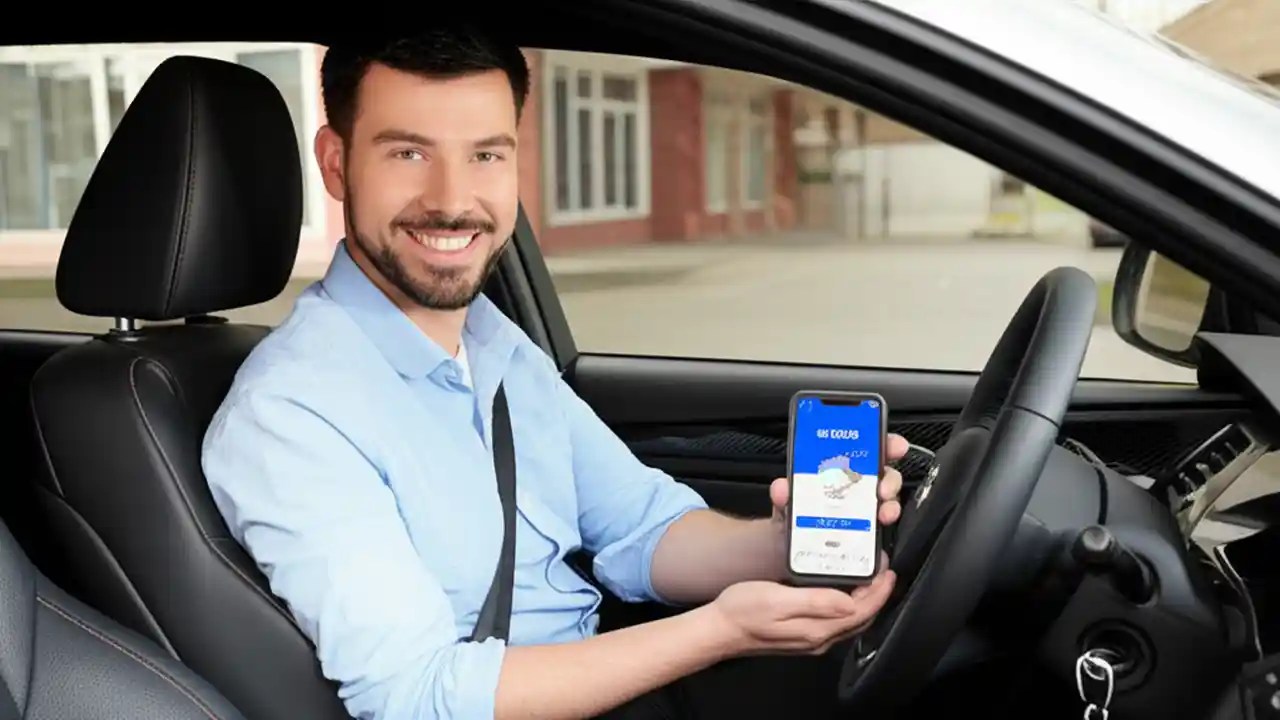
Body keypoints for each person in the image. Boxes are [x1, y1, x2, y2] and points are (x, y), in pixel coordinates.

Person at [201, 25, 906, 720]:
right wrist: (721, 631)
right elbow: (418, 697)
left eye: (485, 155)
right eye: (409, 152)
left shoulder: (491, 340)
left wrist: (784, 544)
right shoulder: (290, 412)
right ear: (335, 163)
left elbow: (641, 527)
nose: (452, 199)